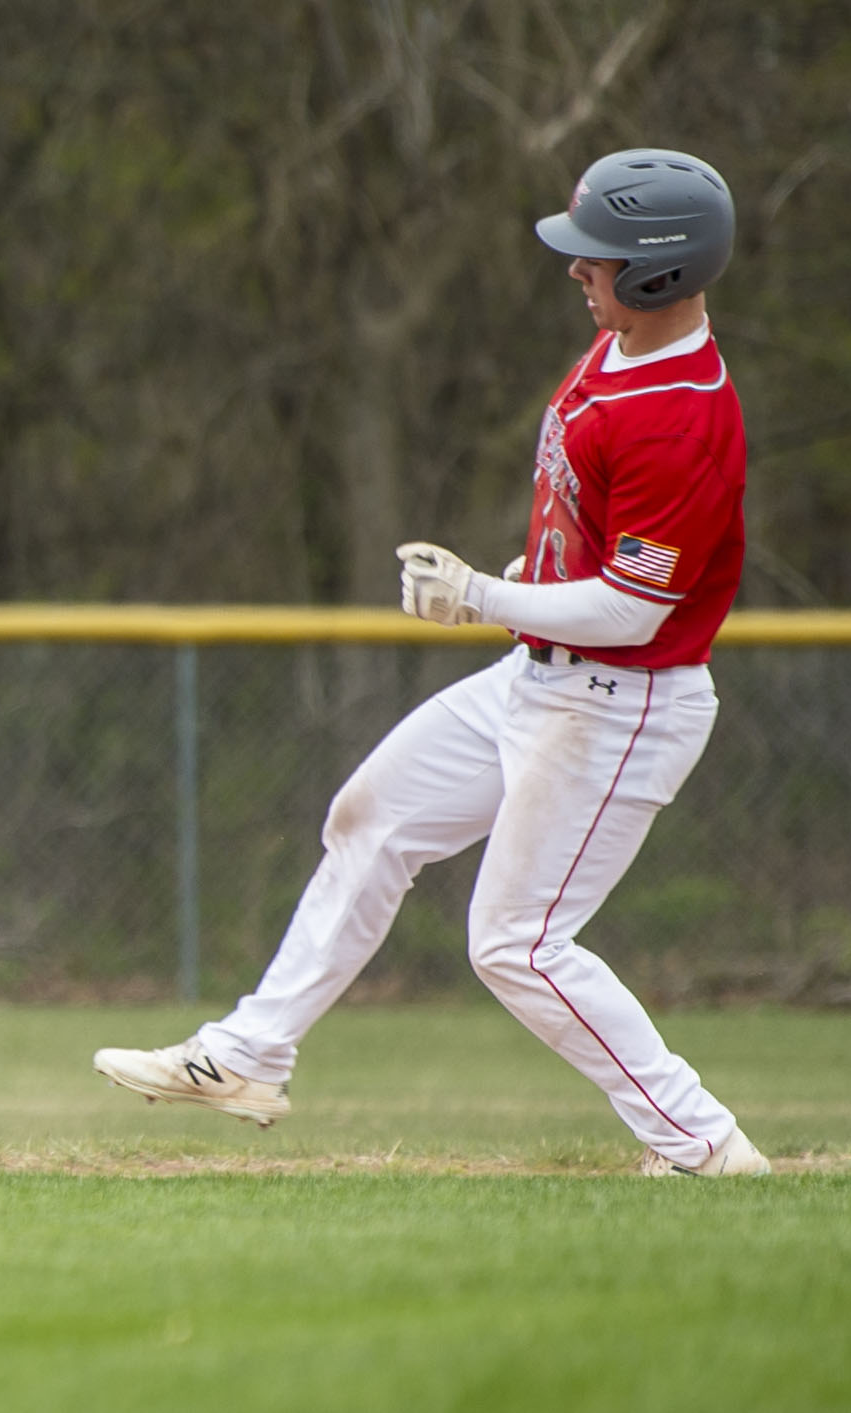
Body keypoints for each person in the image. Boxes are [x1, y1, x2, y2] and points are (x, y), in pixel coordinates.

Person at [96, 148, 768, 1177]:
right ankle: (244, 1055)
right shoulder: (620, 349)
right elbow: (594, 540)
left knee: (518, 945)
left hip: (614, 703)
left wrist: (483, 597)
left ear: (656, 275)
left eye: (595, 256)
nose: (574, 270)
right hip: (540, 678)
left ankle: (699, 1144)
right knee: (368, 817)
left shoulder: (679, 411)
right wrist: (522, 578)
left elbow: (635, 611)